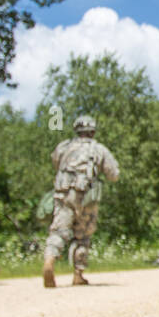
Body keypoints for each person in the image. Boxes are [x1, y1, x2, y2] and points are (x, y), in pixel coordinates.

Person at [43, 116, 119, 287]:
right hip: (86, 197)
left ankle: (49, 260)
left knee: (58, 231)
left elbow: (55, 163)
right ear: (92, 132)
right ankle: (78, 274)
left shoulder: (64, 146)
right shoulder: (99, 149)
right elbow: (113, 174)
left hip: (63, 194)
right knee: (83, 235)